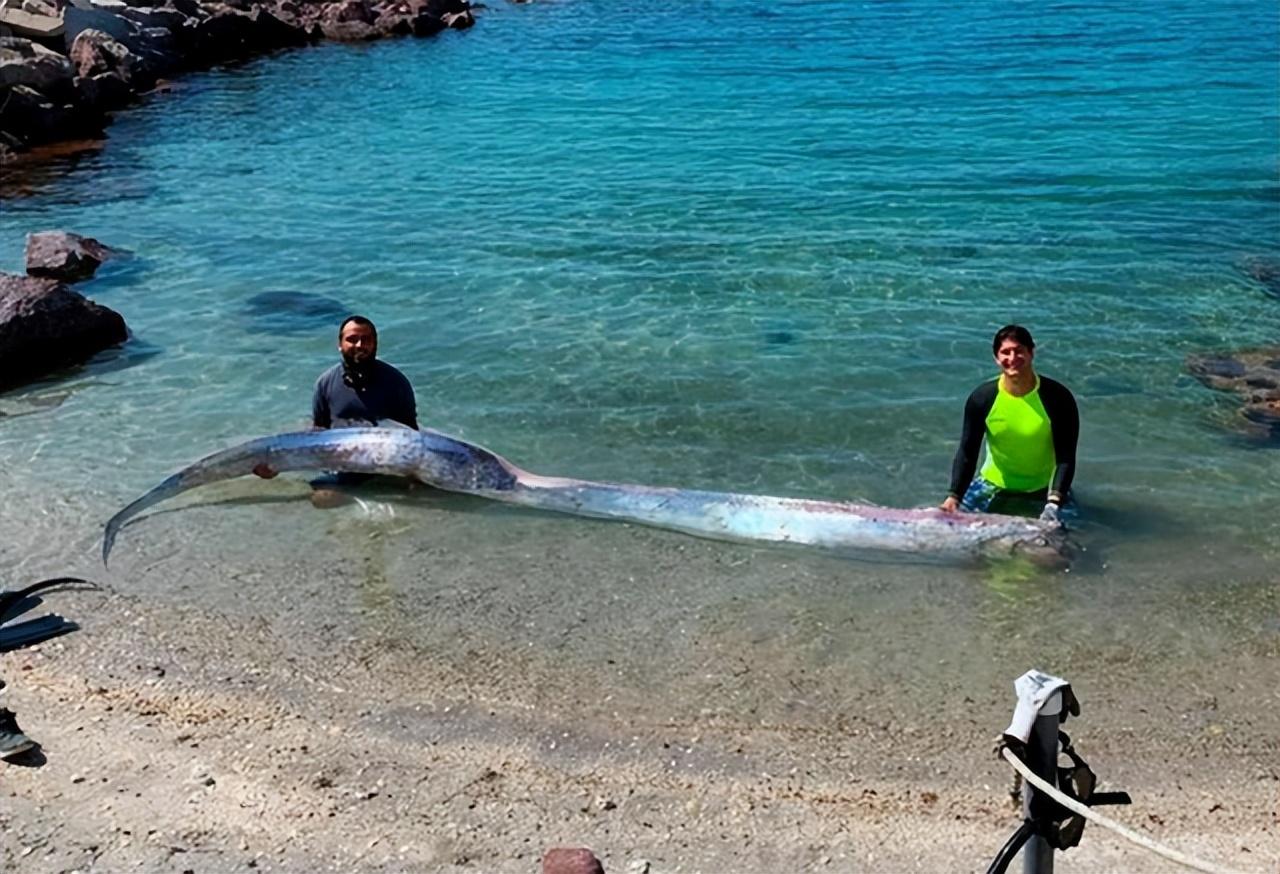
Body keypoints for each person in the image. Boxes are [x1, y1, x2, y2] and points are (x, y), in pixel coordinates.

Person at [253, 315, 419, 494]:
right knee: (324, 500)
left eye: (366, 339)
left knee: (423, 492)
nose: (359, 345)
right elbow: (319, 434)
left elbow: (411, 436)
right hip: (343, 466)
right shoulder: (325, 383)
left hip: (387, 464)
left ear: (375, 343)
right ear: (340, 344)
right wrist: (277, 465)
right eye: (352, 339)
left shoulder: (397, 382)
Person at [941, 325, 1078, 522]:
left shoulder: (1057, 398)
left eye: (1019, 351)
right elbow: (967, 452)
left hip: (1044, 490)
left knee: (1067, 542)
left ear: (1031, 353)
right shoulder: (982, 398)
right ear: (996, 358)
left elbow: (1066, 457)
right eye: (1005, 352)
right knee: (947, 525)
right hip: (991, 486)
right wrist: (953, 496)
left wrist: (1054, 501)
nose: (1012, 358)